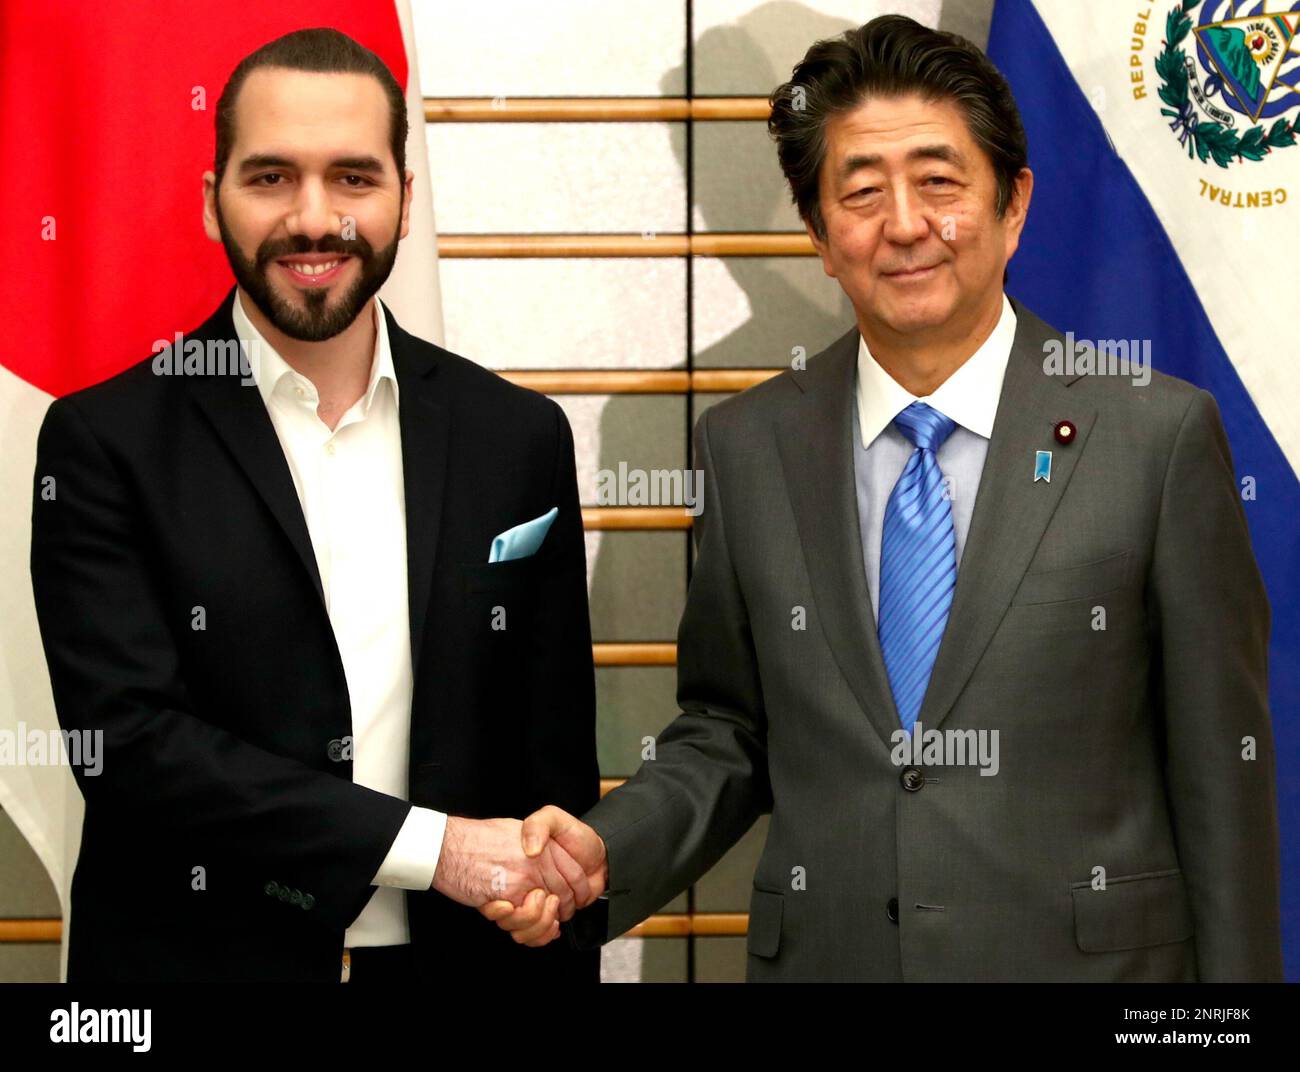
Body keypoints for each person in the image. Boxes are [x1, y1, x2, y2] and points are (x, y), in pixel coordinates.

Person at [484, 15, 1283, 982]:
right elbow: (729, 731)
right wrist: (609, 852)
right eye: (861, 192)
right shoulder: (748, 447)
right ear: (822, 236)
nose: (904, 223)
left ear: (1013, 203)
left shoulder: (1157, 437)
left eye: (940, 182)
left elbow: (1221, 782)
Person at [29, 28, 602, 983]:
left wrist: (551, 893)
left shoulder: (521, 438)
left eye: (352, 178)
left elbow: (552, 765)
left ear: (404, 201)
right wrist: (436, 849)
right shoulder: (102, 442)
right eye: (269, 178)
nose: (312, 217)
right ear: (212, 203)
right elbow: (129, 748)